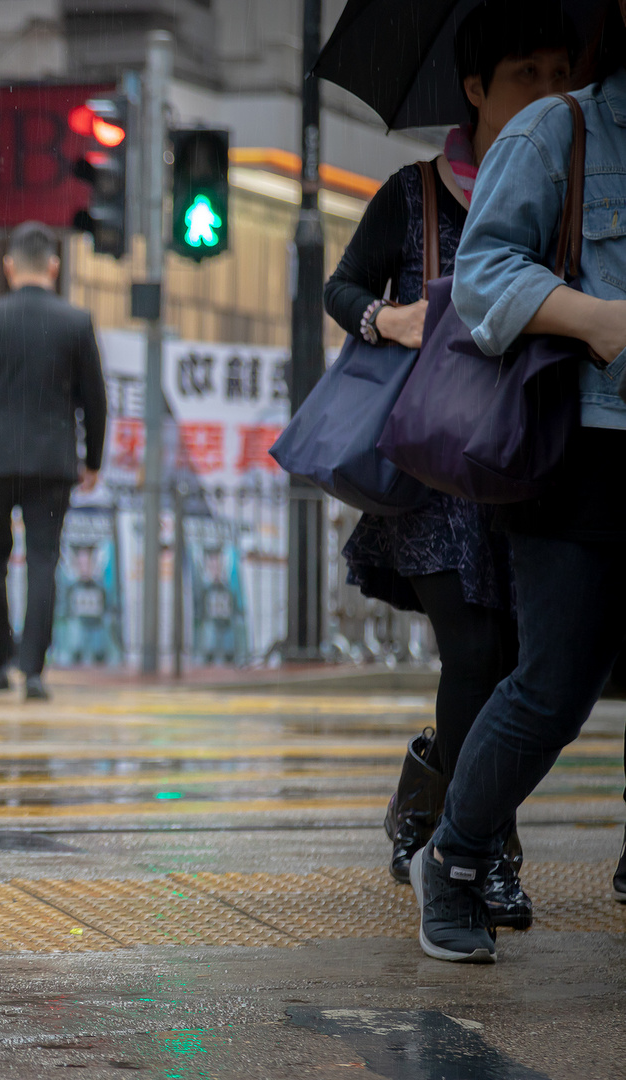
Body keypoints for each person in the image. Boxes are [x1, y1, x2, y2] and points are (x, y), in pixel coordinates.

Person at [323, 0, 575, 930]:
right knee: (474, 653)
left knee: (513, 663)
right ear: (475, 89)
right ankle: (487, 856)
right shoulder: (416, 191)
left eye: (561, 77)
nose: (550, 96)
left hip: (535, 457)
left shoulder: (572, 190)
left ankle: (428, 792)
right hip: (432, 471)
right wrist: (388, 318)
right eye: (527, 78)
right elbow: (341, 282)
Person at [410, 1, 626, 964]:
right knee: (553, 684)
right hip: (582, 451)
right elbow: (483, 275)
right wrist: (592, 316)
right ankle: (454, 858)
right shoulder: (561, 128)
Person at [0, 222, 108, 700]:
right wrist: (93, 459)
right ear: (54, 266)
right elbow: (96, 398)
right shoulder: (75, 321)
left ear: (9, 267)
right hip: (52, 462)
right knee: (45, 559)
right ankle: (33, 671)